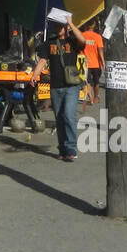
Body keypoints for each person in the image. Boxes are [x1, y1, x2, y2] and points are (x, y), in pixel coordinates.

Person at [32, 16, 87, 161]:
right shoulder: (49, 43)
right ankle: (62, 148)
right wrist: (35, 74)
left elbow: (83, 40)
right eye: (56, 26)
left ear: (66, 28)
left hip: (71, 86)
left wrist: (71, 23)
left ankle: (71, 148)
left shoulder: (72, 42)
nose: (58, 28)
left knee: (69, 115)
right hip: (55, 86)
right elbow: (43, 60)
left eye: (61, 26)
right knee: (60, 118)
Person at [80, 15, 105, 110]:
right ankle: (96, 97)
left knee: (87, 81)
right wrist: (103, 63)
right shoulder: (97, 37)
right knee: (96, 82)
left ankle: (90, 98)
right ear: (94, 26)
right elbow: (100, 51)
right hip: (95, 63)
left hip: (83, 62)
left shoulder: (82, 35)